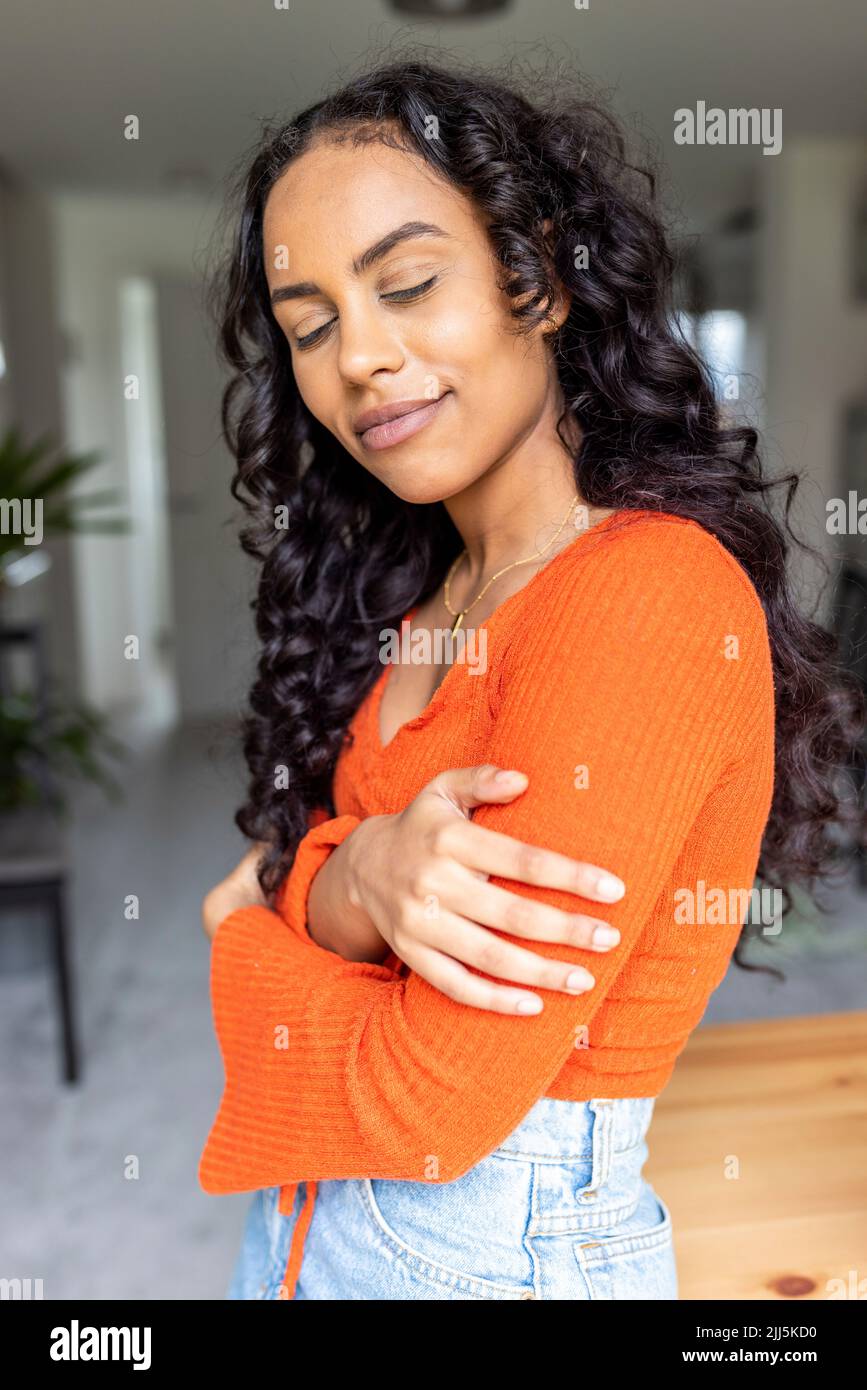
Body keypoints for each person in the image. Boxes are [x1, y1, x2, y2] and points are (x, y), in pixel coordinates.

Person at [197, 55, 863, 1300]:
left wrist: (246, 936)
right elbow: (331, 879)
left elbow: (434, 1095)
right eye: (312, 324)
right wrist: (355, 881)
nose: (363, 359)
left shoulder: (645, 596)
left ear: (538, 278)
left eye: (407, 283)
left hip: (480, 1251)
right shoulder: (426, 593)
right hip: (312, 1225)